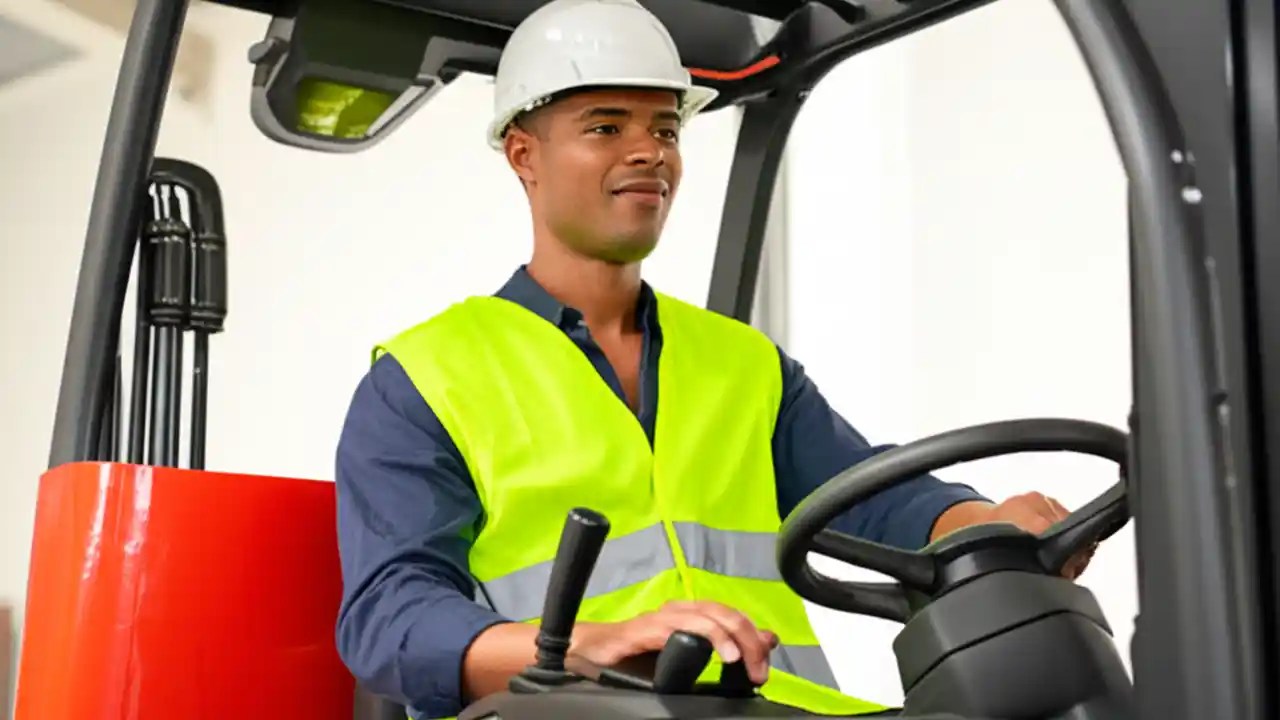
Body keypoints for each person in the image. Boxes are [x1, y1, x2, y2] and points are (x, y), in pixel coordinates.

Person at [333, 1, 1093, 718]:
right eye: (605, 127)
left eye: (665, 131)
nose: (648, 152)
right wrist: (584, 648)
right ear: (524, 156)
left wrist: (985, 524)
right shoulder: (426, 377)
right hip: (575, 711)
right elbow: (391, 612)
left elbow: (872, 498)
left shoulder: (741, 362)